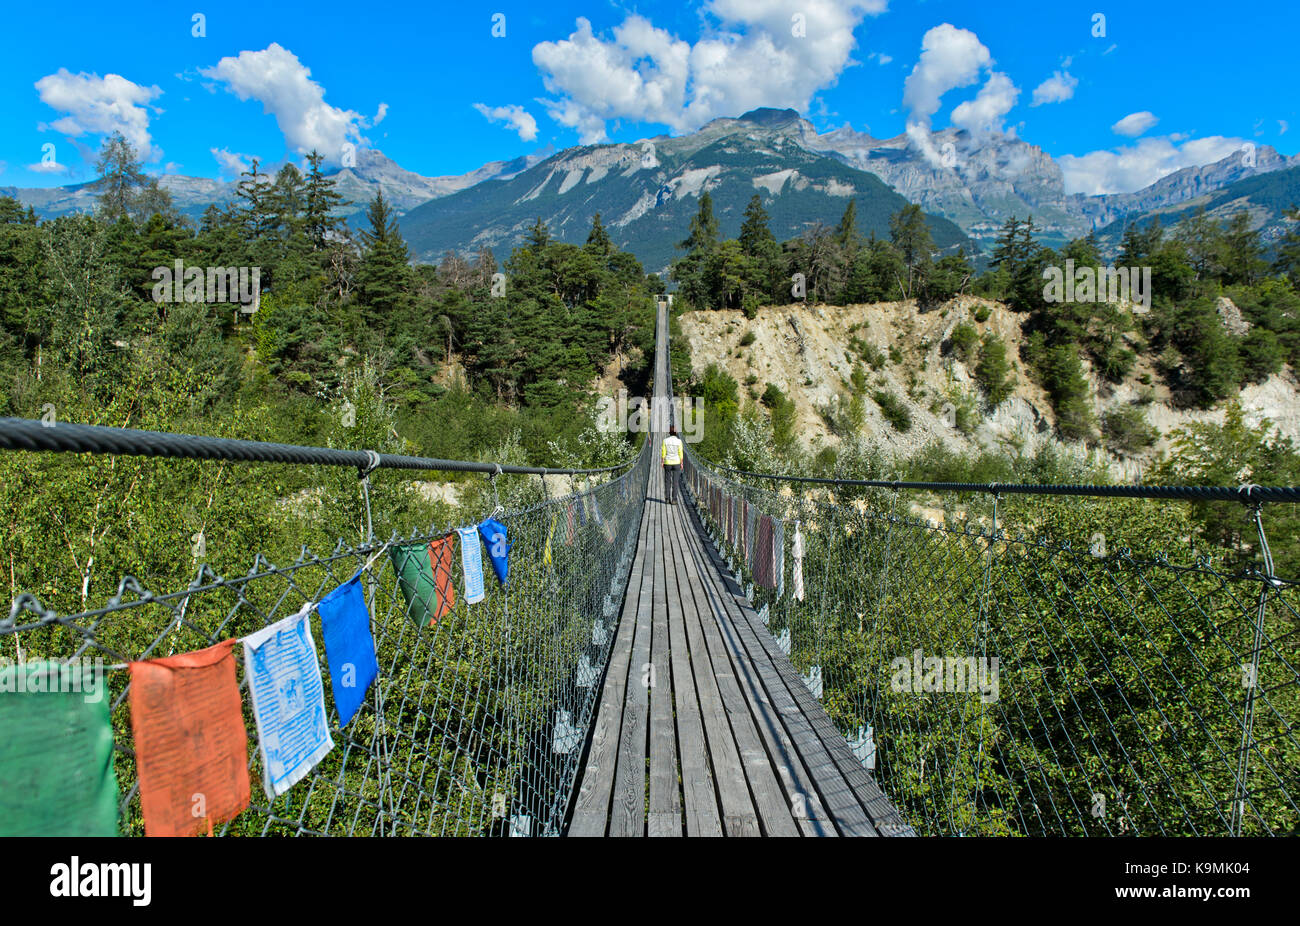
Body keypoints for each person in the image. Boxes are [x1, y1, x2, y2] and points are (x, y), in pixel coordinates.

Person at [661, 426, 684, 504]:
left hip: (667, 462)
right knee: (675, 481)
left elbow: (663, 452)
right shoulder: (679, 441)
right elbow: (680, 453)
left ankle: (667, 499)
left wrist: (662, 461)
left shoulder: (665, 441)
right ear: (676, 433)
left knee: (667, 481)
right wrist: (681, 463)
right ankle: (674, 500)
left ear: (669, 432)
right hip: (676, 462)